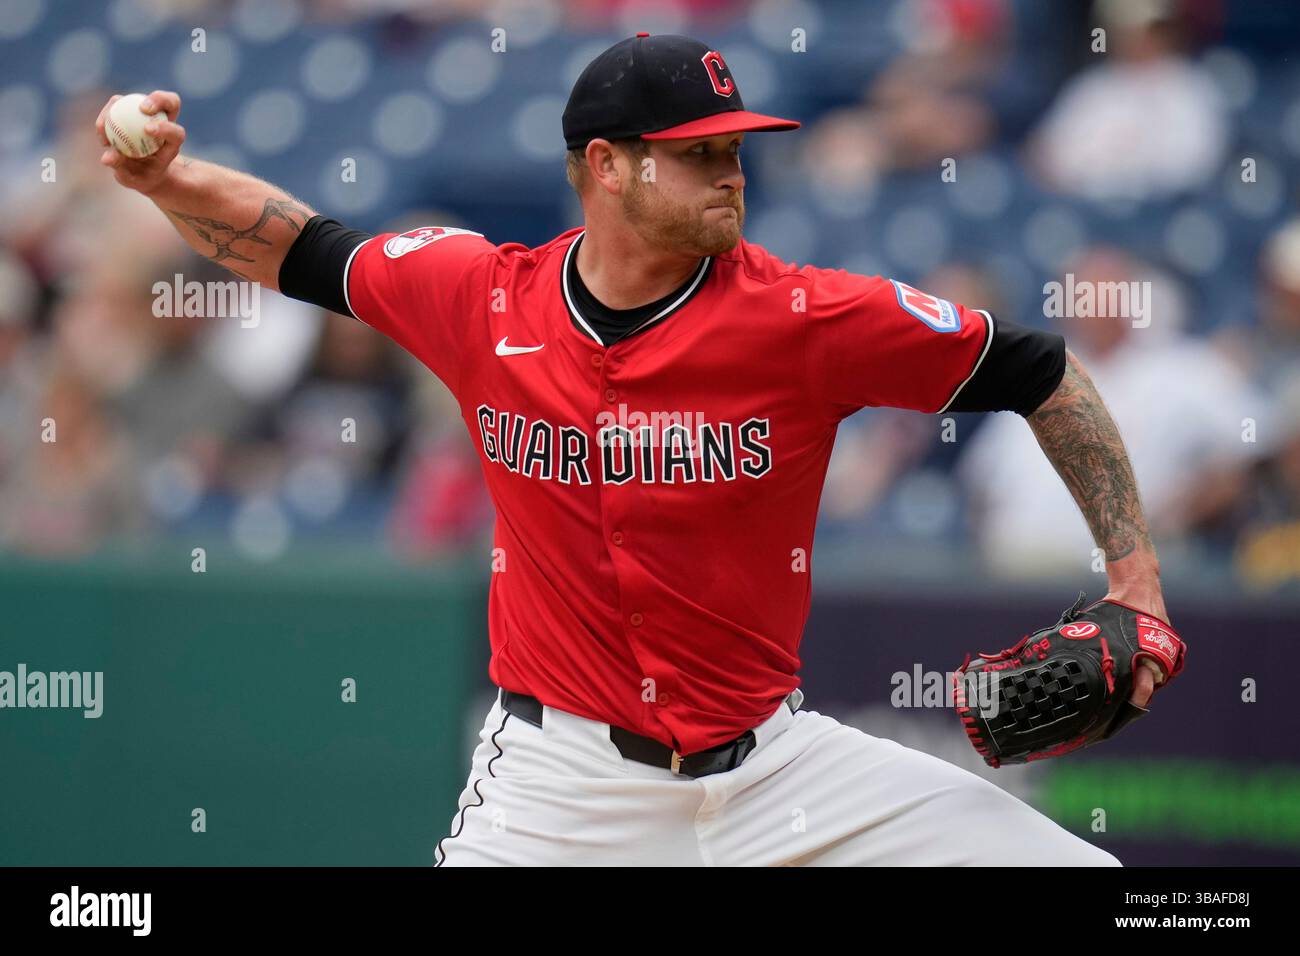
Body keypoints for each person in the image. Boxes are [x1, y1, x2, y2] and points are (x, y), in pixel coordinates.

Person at [95, 33, 1173, 866]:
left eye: (736, 149)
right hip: (559, 786)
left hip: (779, 767)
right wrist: (167, 184)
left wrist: (1133, 576)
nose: (731, 174)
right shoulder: (478, 296)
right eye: (698, 154)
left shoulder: (803, 319)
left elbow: (1038, 371)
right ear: (605, 167)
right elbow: (303, 245)